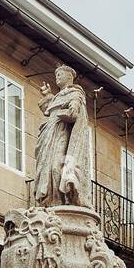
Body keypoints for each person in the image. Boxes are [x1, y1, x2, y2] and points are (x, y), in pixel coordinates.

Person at [33, 64, 93, 208]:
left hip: (61, 132)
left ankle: (63, 198)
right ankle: (51, 200)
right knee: (46, 168)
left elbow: (75, 110)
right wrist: (48, 96)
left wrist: (71, 109)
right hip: (49, 133)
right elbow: (49, 110)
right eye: (56, 75)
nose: (57, 77)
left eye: (60, 74)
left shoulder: (75, 93)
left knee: (56, 167)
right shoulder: (57, 97)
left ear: (69, 77)